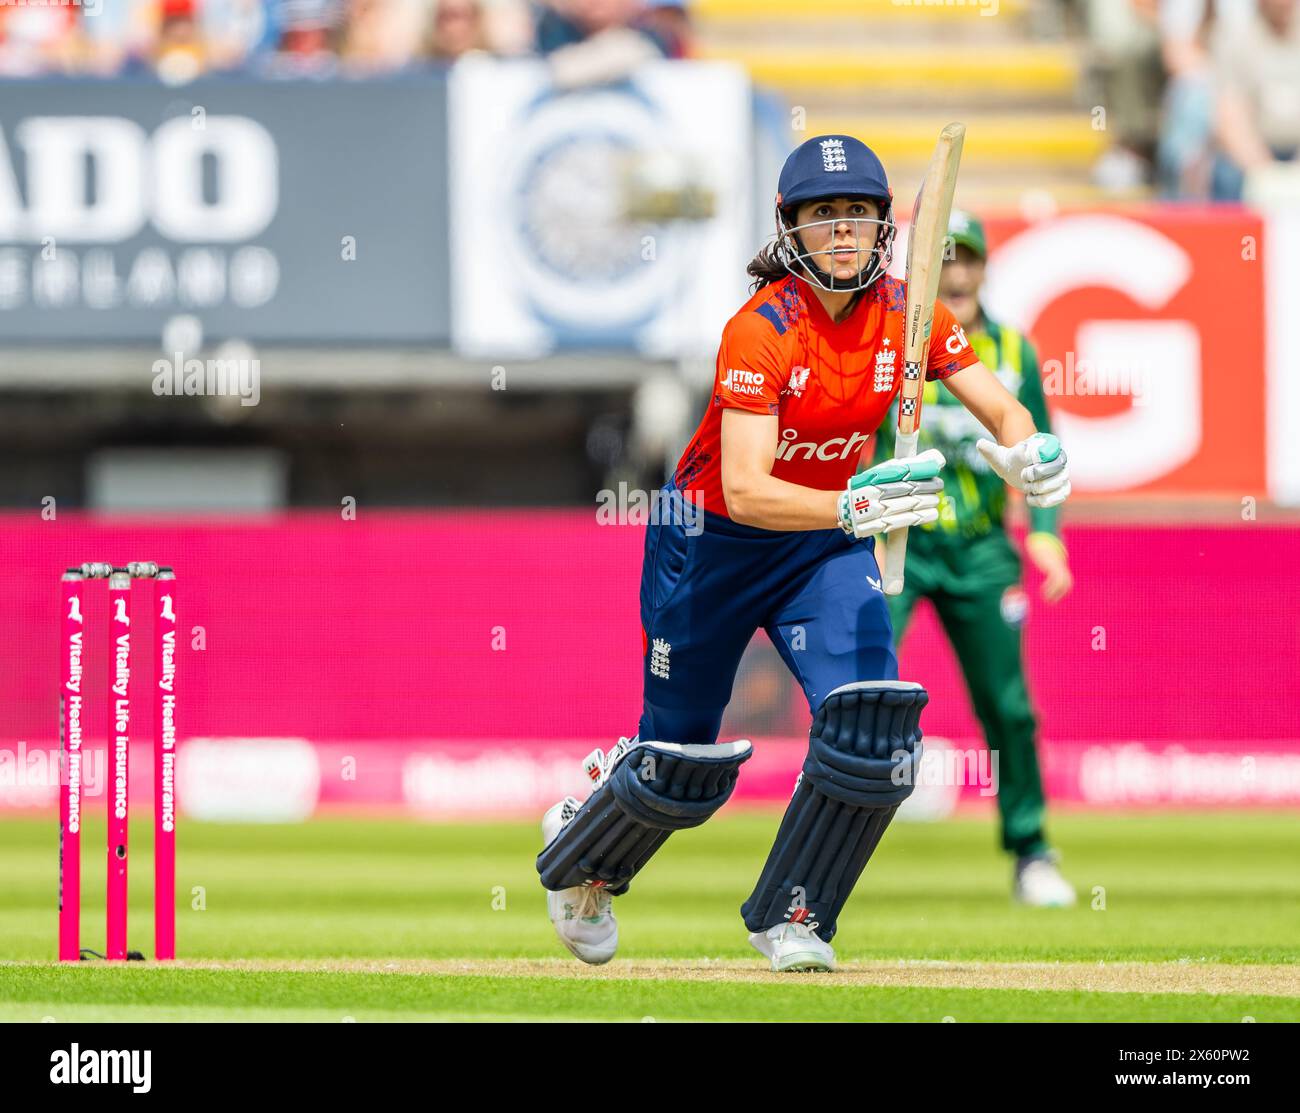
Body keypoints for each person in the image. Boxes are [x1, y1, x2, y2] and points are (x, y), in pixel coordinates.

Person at [536, 136, 1072, 972]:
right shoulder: (760, 330)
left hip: (820, 544)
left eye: (859, 210)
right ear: (791, 228)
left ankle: (797, 912)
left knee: (871, 723)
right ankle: (583, 858)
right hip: (711, 540)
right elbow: (747, 488)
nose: (845, 229)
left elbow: (1006, 411)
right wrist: (856, 503)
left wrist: (1025, 452)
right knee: (680, 763)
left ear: (885, 224)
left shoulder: (910, 314)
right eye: (825, 214)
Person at [868, 209, 1077, 908]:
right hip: (900, 539)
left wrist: (1044, 530)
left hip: (983, 549)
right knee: (855, 692)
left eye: (968, 259)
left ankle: (1032, 851)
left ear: (985, 267)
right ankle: (832, 846)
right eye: (944, 259)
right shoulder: (891, 342)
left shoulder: (1013, 350)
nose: (956, 272)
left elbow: (1039, 446)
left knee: (1009, 709)